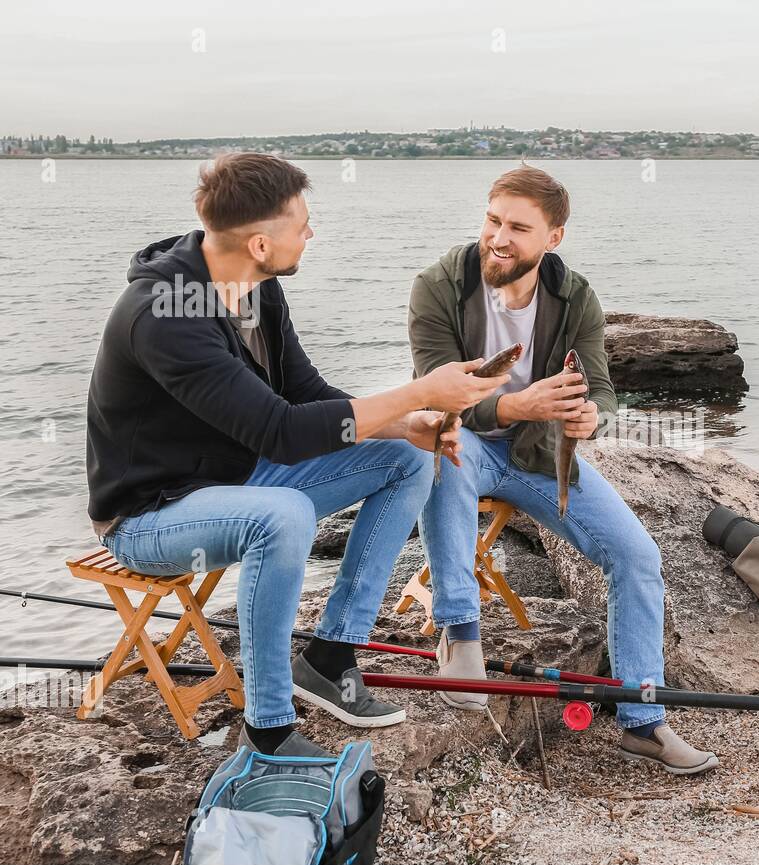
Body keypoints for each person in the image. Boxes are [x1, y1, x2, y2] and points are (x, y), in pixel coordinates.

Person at [86, 152, 508, 756]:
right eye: (301, 223)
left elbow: (304, 393)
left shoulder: (257, 289)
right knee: (281, 515)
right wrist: (420, 389)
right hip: (149, 515)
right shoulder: (165, 315)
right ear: (260, 242)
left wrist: (405, 422)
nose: (311, 233)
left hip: (237, 476)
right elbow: (281, 432)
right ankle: (269, 727)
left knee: (408, 460)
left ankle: (331, 656)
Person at [408, 166, 718, 774]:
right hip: (466, 440)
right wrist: (515, 404)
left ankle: (643, 719)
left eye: (518, 228)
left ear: (553, 237)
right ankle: (459, 631)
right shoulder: (438, 285)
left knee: (638, 557)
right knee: (441, 454)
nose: (499, 237)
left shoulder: (575, 297)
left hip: (537, 457)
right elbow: (440, 396)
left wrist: (591, 419)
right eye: (493, 220)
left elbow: (601, 389)